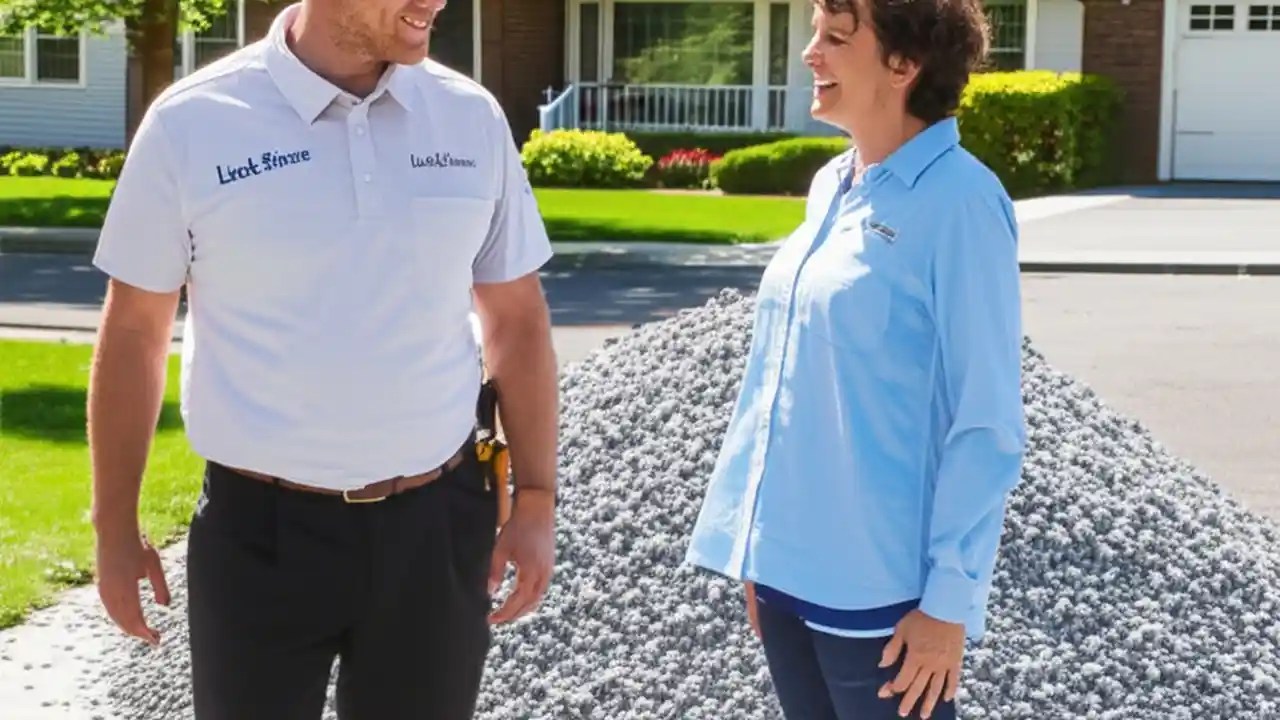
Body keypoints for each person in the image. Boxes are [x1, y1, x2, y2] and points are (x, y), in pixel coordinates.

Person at [86, 0, 559, 717]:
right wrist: (114, 529)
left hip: (435, 529)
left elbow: (518, 321)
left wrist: (537, 501)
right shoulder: (192, 123)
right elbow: (133, 337)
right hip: (258, 538)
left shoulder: (471, 117)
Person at [685, 0, 1026, 718]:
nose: (811, 53)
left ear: (905, 65)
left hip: (881, 599)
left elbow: (986, 420)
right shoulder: (831, 186)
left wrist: (948, 602)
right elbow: (788, 382)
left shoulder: (962, 203)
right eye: (816, 34)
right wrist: (758, 545)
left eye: (837, 38)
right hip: (783, 575)